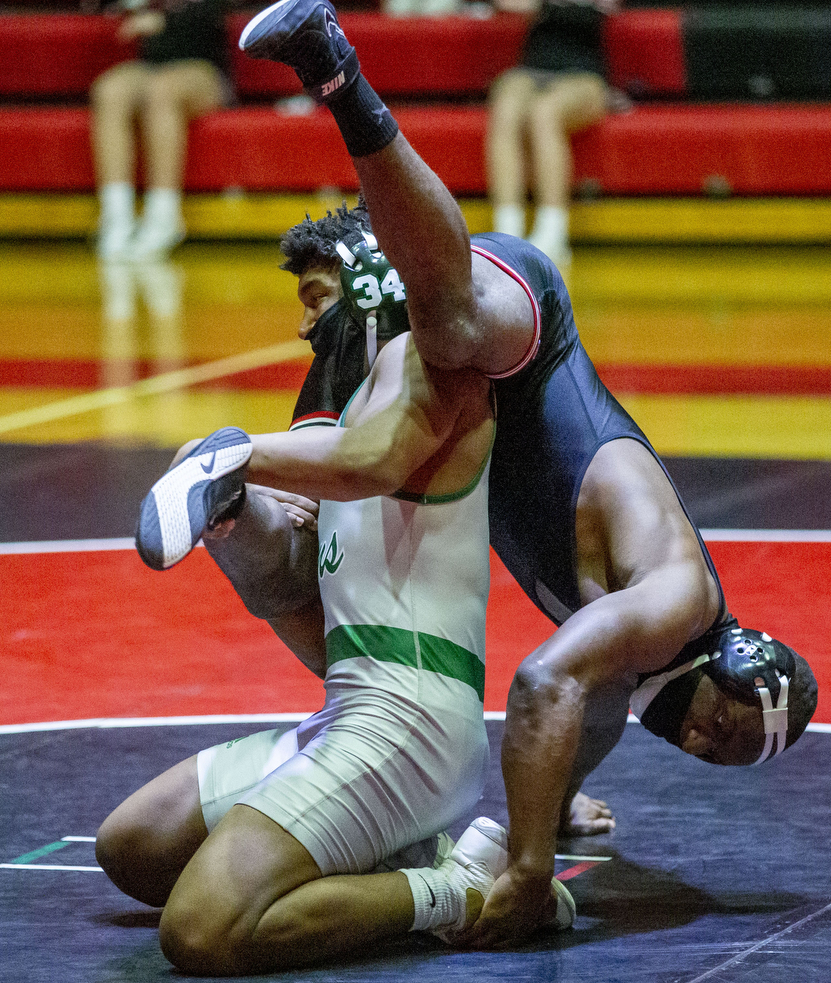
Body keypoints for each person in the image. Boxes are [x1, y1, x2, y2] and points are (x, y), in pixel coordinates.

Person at [228, 0, 819, 950]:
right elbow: (544, 681)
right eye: (729, 724)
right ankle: (334, 68)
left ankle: (229, 497)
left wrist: (551, 801)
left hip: (460, 405)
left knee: (309, 570)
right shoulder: (675, 598)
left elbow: (570, 716)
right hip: (524, 339)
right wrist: (532, 865)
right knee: (449, 324)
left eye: (726, 757)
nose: (708, 745)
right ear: (729, 664)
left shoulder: (621, 696)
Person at [99, 265, 576, 974]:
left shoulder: (433, 377)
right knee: (134, 848)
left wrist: (234, 454)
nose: (302, 328)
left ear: (373, 285)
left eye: (317, 297)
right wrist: (240, 518)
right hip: (355, 703)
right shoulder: (352, 419)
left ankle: (455, 887)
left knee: (200, 932)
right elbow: (303, 620)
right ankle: (412, 851)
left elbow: (373, 463)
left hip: (408, 723)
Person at [88, 0, 238, 261]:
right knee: (109, 91)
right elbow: (101, 0)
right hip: (154, 64)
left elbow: (217, 12)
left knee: (162, 91)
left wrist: (164, 21)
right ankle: (116, 217)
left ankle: (164, 217)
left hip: (204, 67)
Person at [487, 0, 623, 265]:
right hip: (533, 66)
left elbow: (598, 10)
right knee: (505, 108)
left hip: (584, 73)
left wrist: (542, 6)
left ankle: (553, 233)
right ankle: (506, 230)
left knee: (544, 113)